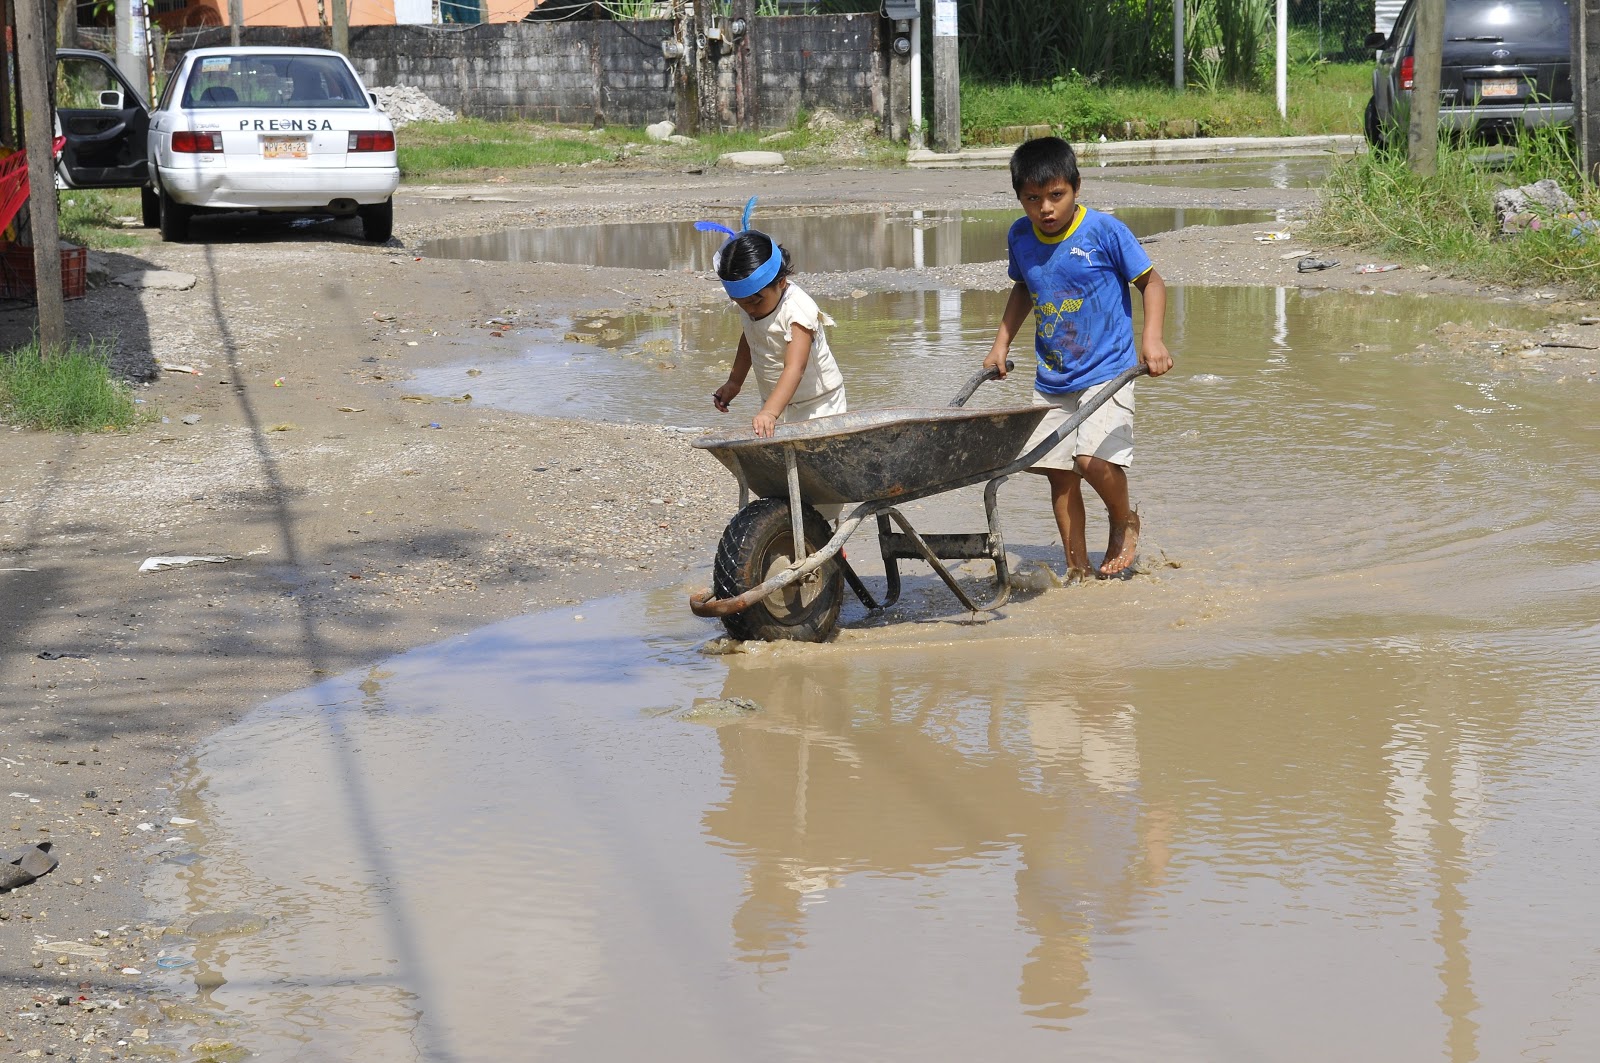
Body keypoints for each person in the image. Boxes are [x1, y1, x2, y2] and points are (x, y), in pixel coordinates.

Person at [983, 136, 1173, 580]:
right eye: (1033, 199)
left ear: (1075, 187)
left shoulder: (1104, 231)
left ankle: (1123, 520)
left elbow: (1153, 283)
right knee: (1058, 473)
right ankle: (1078, 570)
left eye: (1055, 196)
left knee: (1092, 462)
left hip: (1108, 370)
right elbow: (1022, 288)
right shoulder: (1020, 236)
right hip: (1053, 377)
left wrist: (1153, 338)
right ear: (1019, 198)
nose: (1045, 209)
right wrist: (1001, 344)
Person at [698, 198, 846, 439]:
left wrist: (769, 412)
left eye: (755, 301)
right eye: (741, 304)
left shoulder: (797, 311)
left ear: (781, 282)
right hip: (778, 401)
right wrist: (734, 382)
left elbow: (795, 368)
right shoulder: (750, 305)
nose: (750, 310)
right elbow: (750, 338)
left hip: (818, 403)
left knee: (817, 451)